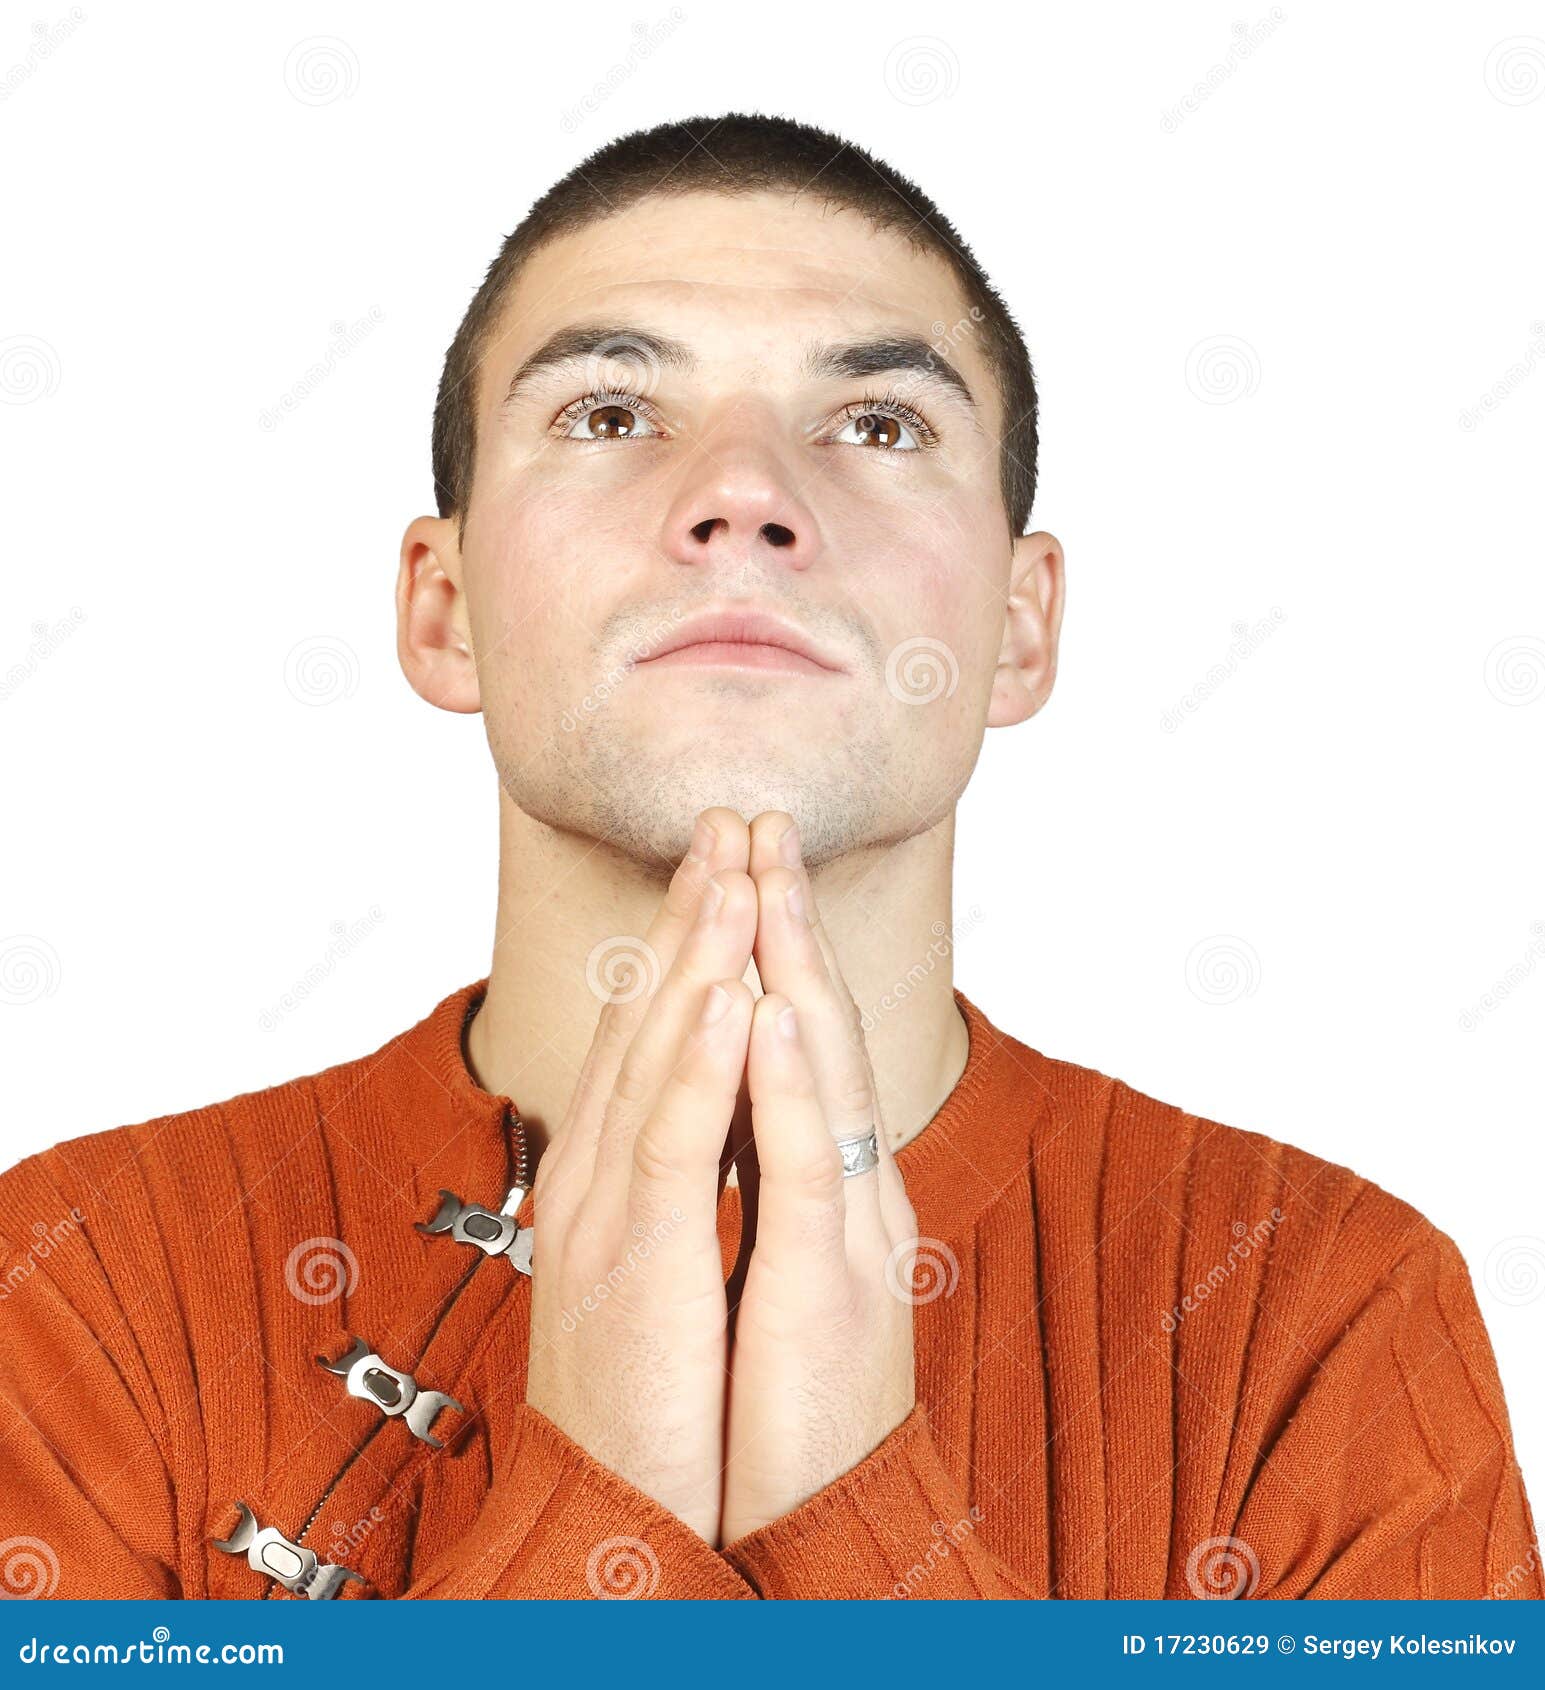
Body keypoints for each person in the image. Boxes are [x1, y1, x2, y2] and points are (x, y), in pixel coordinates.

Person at [1, 112, 1537, 1603]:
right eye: (609, 412)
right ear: (441, 605)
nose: (744, 496)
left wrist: (853, 1511)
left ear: (1018, 626)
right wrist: (595, 1508)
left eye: (876, 424)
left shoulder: (1328, 1308)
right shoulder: (75, 1286)